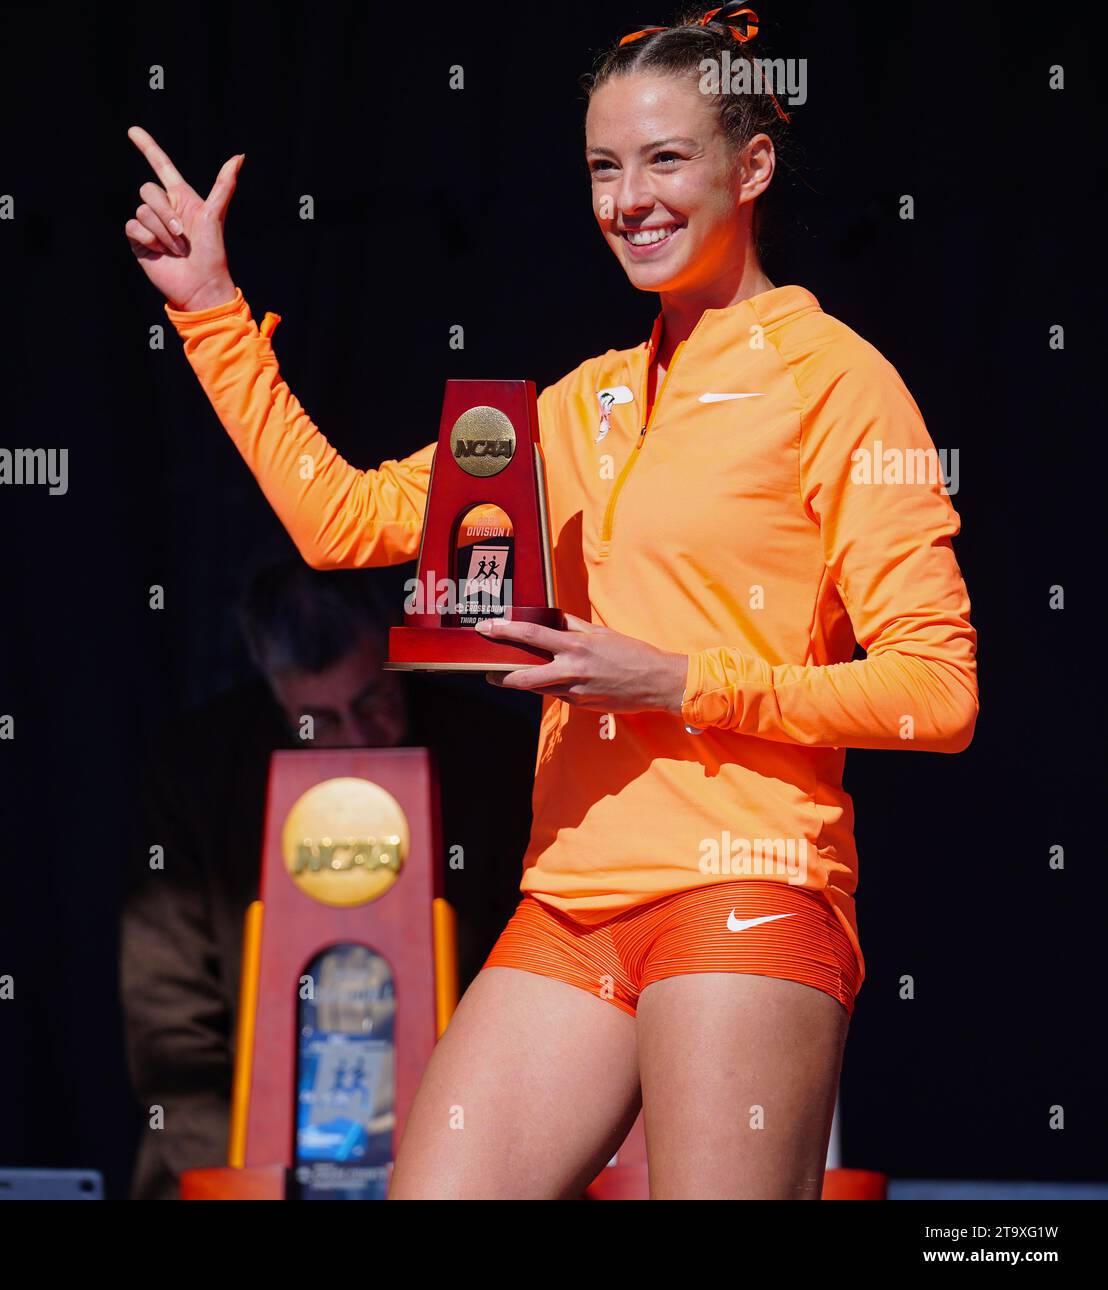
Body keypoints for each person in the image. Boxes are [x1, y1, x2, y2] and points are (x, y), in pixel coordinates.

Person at [123, 4, 978, 1200]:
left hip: (744, 886)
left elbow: (937, 695)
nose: (628, 197)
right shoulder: (583, 405)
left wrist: (674, 679)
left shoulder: (835, 381)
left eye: (664, 158)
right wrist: (211, 311)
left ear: (753, 165)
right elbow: (343, 520)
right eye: (602, 167)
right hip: (569, 907)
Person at [120, 556, 535, 1200]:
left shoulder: (494, 754)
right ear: (273, 688)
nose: (358, 735)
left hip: (467, 1149)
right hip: (244, 1150)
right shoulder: (197, 774)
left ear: (399, 650)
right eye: (321, 718)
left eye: (375, 699)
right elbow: (168, 1005)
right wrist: (234, 1175)